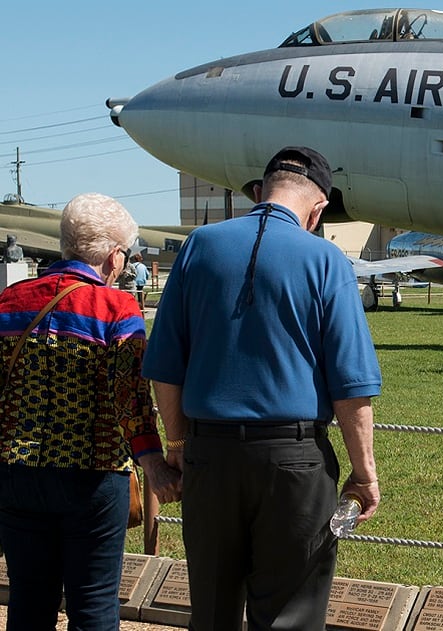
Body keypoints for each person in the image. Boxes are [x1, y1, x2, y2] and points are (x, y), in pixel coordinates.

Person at [143, 146, 382, 631]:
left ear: (259, 192)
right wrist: (365, 474)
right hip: (294, 462)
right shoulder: (326, 260)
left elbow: (165, 368)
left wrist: (178, 444)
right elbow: (351, 387)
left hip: (209, 454)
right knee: (289, 615)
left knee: (211, 612)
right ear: (317, 210)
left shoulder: (198, 246)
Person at [0, 193, 179, 630]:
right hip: (93, 478)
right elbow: (131, 397)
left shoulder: (8, 302)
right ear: (115, 257)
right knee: (94, 607)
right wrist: (154, 465)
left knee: (27, 600)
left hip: (16, 476)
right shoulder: (118, 309)